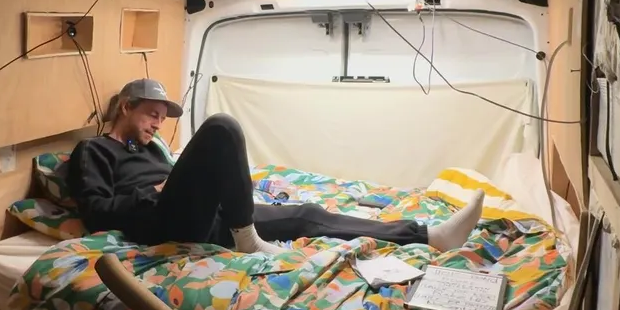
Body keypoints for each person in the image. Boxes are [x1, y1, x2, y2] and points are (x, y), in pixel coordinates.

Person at [66, 78, 484, 254]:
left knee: (308, 214)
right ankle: (247, 237)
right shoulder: (95, 150)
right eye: (152, 115)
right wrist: (152, 193)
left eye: (162, 118)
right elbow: (96, 212)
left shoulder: (154, 149)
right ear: (126, 107)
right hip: (164, 221)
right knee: (221, 127)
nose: (159, 124)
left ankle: (428, 236)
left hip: (207, 217)